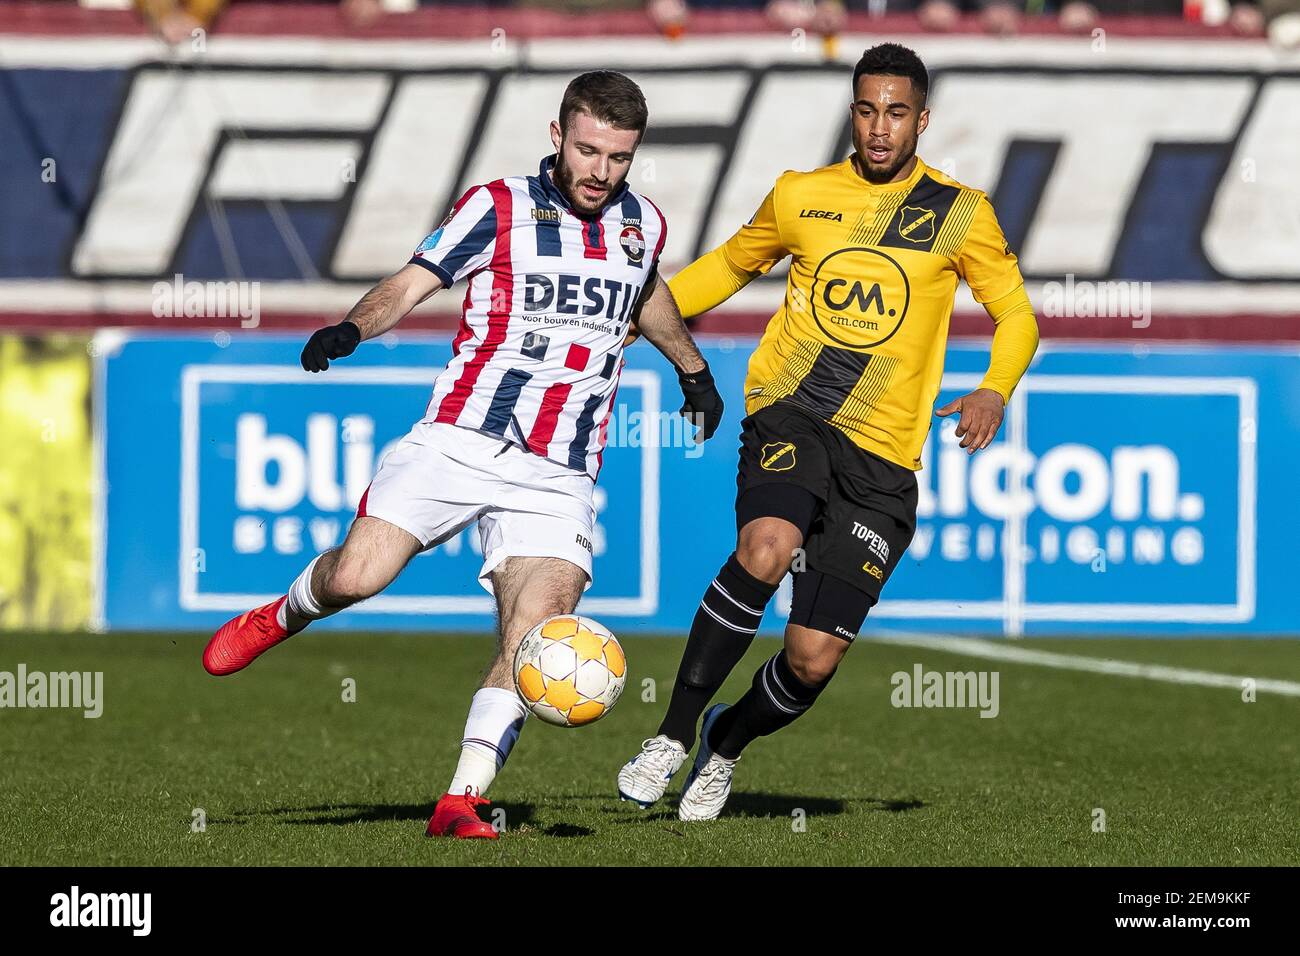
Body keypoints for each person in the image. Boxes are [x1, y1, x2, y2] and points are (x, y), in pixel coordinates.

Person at [201, 70, 724, 840]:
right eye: (587, 152)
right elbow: (415, 280)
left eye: (617, 158)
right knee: (358, 575)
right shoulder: (499, 206)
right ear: (558, 135)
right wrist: (353, 327)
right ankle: (282, 612)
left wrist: (693, 369)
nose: (600, 172)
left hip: (560, 472)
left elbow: (644, 293)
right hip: (459, 439)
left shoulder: (640, 221)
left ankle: (461, 802)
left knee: (536, 631)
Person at [617, 42, 1039, 821]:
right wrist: (629, 312)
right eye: (869, 110)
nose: (881, 128)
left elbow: (1017, 314)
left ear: (922, 119)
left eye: (898, 112)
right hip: (793, 410)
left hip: (883, 458)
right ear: (853, 112)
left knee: (811, 660)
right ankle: (671, 736)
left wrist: (993, 389)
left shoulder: (960, 212)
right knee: (766, 548)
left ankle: (724, 743)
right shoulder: (800, 194)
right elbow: (725, 269)